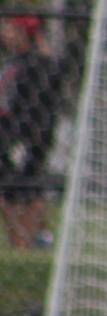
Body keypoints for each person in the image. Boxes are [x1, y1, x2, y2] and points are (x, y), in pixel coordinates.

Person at [0, 15, 63, 249]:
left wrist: (40, 41)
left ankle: (29, 239)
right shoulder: (13, 61)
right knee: (16, 189)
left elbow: (45, 94)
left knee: (26, 188)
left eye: (10, 28)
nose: (4, 33)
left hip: (26, 135)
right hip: (8, 132)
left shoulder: (37, 62)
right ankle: (27, 238)